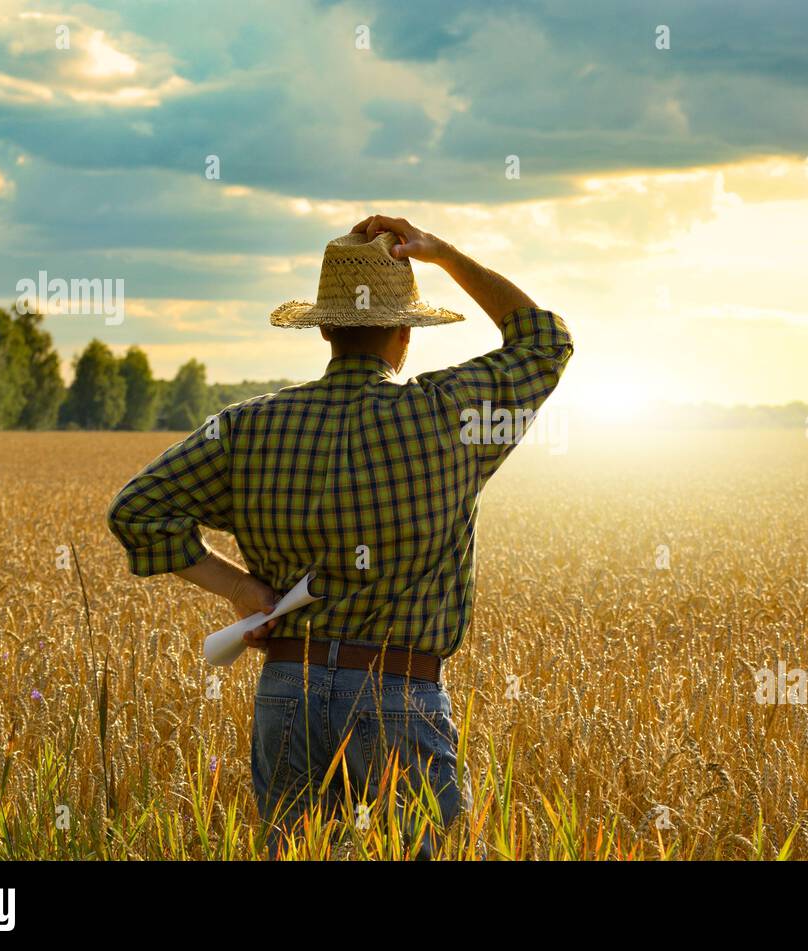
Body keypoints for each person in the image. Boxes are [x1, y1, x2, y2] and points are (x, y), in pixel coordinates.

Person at [106, 215, 573, 858]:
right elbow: (544, 341)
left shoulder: (248, 427)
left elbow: (137, 510)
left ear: (324, 327)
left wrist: (242, 589)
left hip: (286, 693)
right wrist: (443, 255)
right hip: (398, 694)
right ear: (406, 332)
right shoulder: (446, 414)